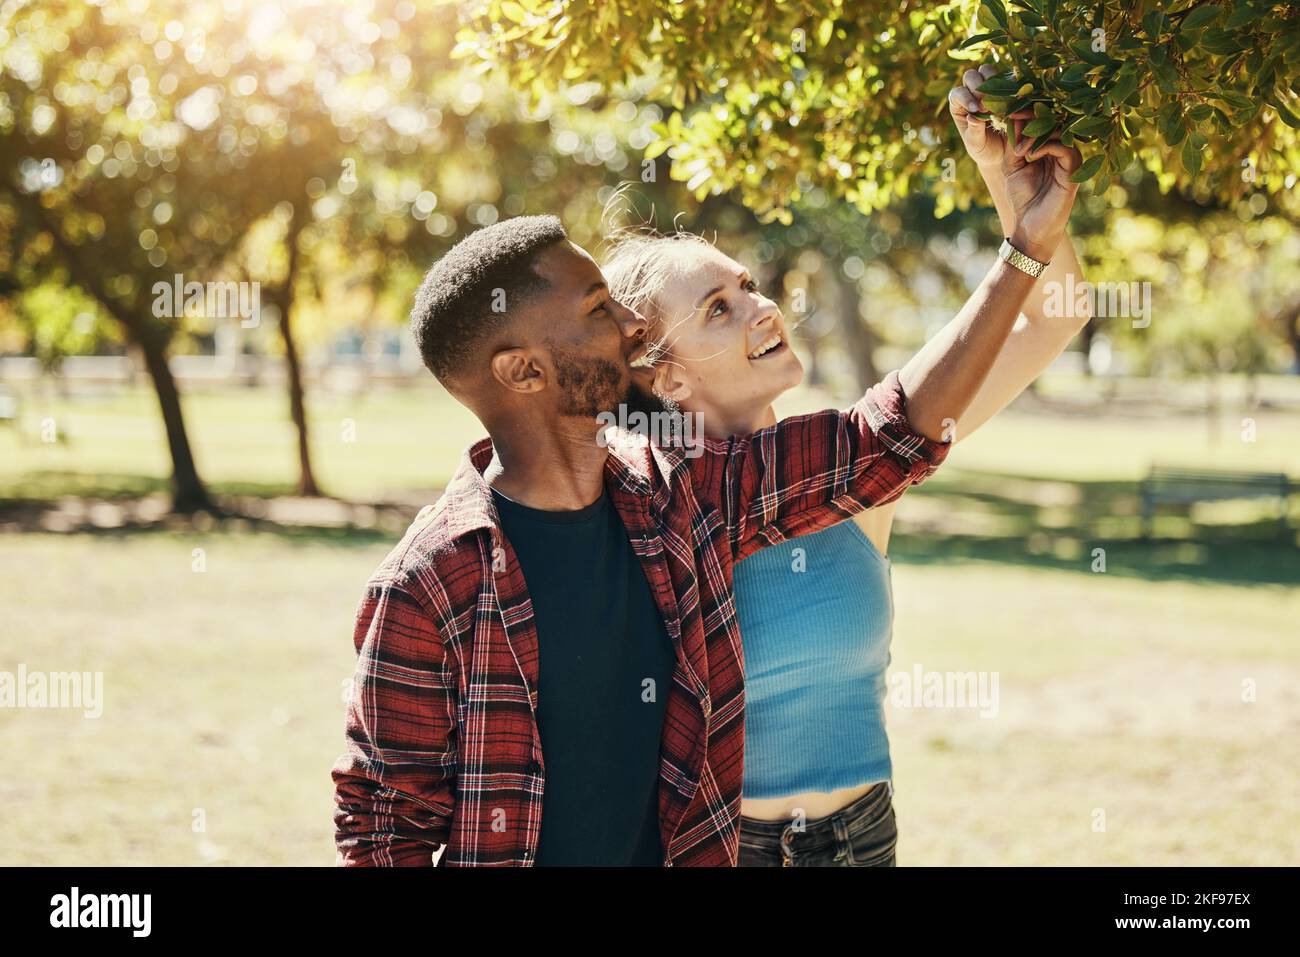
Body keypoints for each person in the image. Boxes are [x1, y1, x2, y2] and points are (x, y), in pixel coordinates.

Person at [330, 88, 1081, 864]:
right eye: (598, 310)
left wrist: (1023, 242)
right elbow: (384, 830)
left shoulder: (677, 498)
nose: (627, 325)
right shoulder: (428, 585)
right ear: (523, 370)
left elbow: (884, 436)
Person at [600, 64, 1091, 866]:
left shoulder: (854, 467)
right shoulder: (640, 510)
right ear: (667, 376)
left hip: (864, 840)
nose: (763, 307)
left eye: (748, 286)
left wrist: (1009, 188)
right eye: (718, 308)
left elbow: (1052, 318)